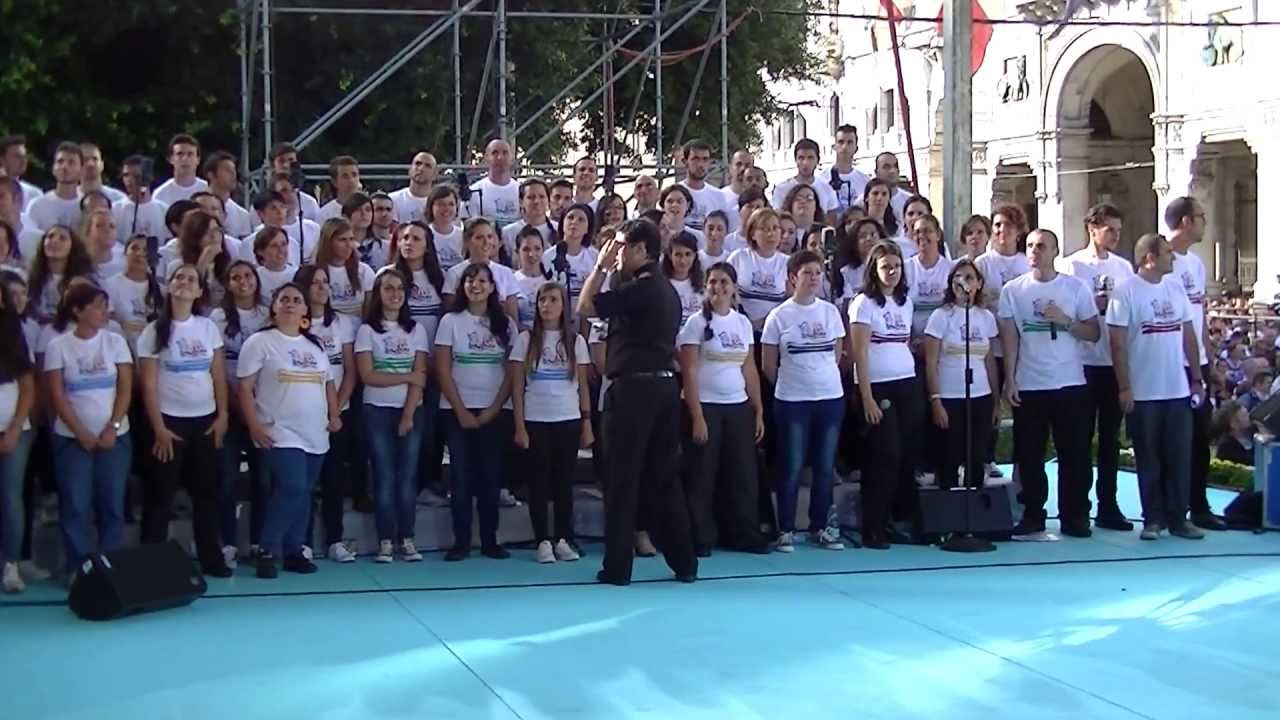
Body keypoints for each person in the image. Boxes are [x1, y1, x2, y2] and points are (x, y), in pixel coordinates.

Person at [577, 219, 698, 585]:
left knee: (621, 479)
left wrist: (600, 267)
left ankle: (617, 567)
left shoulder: (640, 290)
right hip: (663, 388)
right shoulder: (667, 291)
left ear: (641, 250)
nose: (617, 256)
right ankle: (685, 562)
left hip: (632, 391)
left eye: (622, 248)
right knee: (664, 478)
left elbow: (585, 306)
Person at [998, 229, 1099, 538]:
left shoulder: (1075, 288)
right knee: (1029, 454)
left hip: (1069, 382)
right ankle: (1032, 513)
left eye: (1041, 246)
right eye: (1029, 246)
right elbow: (1010, 337)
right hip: (1030, 383)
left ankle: (1075, 515)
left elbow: (1094, 332)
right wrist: (1010, 378)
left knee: (1075, 454)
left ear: (1055, 251)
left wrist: (1064, 320)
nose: (1034, 251)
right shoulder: (1013, 291)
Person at [237, 283, 341, 578]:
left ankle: (295, 550)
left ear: (306, 309)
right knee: (292, 487)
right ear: (274, 306)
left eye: (297, 300)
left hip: (315, 432)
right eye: (284, 299)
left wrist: (334, 414)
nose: (291, 304)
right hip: (280, 431)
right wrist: (254, 424)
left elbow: (328, 383)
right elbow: (244, 387)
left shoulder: (315, 346)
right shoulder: (260, 342)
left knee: (304, 492)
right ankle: (268, 548)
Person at [1107, 232, 1204, 541]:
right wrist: (1124, 387)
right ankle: (1153, 519)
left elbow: (1189, 335)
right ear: (1149, 257)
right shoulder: (1125, 292)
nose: (1172, 257)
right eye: (1166, 253)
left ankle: (1179, 518)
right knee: (1148, 457)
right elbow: (1117, 344)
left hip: (1176, 390)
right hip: (1144, 392)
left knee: (1179, 457)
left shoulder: (1176, 289)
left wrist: (1197, 378)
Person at [137, 264, 231, 577]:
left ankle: (210, 557)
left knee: (207, 494)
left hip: (205, 422)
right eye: (179, 277)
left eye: (191, 279)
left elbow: (218, 376)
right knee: (160, 496)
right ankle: (152, 562)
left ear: (200, 291)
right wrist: (159, 429)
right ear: (169, 286)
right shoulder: (153, 331)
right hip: (169, 424)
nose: (184, 282)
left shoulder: (207, 328)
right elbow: (147, 386)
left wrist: (223, 416)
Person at [677, 262, 768, 555]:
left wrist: (758, 408)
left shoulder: (741, 323)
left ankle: (743, 533)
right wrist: (697, 416)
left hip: (737, 407)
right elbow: (688, 372)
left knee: (742, 475)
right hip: (706, 407)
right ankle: (700, 537)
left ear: (734, 287)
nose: (718, 287)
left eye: (724, 282)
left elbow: (749, 367)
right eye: (713, 282)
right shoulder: (695, 324)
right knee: (702, 476)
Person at [43, 282, 133, 575]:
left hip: (115, 437)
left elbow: (124, 389)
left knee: (112, 505)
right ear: (77, 311)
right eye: (96, 306)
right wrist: (80, 432)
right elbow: (57, 396)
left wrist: (113, 426)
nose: (103, 311)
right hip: (72, 440)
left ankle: (111, 566)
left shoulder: (115, 342)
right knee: (76, 506)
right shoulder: (58, 346)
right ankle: (78, 568)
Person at [761, 250, 847, 552]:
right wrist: (794, 383)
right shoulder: (779, 316)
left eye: (817, 273)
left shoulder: (830, 313)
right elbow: (769, 364)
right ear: (792, 278)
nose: (813, 278)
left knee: (824, 466)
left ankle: (820, 527)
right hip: (792, 402)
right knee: (792, 465)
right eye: (807, 273)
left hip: (830, 399)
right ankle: (785, 528)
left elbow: (836, 354)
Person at [1058, 203, 1136, 530]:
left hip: (1111, 362)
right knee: (1077, 440)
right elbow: (1061, 310)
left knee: (1110, 440)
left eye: (1119, 231)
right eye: (1110, 230)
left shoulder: (1124, 268)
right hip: (1080, 363)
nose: (1115, 236)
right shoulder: (1070, 266)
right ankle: (1076, 509)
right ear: (1093, 229)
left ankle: (1109, 505)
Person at [509, 282, 592, 563]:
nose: (547, 305)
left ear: (563, 306)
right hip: (535, 419)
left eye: (553, 300)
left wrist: (586, 422)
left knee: (563, 483)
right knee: (539, 483)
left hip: (567, 419)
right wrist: (519, 425)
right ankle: (542, 539)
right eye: (542, 300)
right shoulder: (525, 340)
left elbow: (582, 385)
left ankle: (563, 538)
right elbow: (517, 388)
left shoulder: (576, 342)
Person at [436, 263, 513, 561]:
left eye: (482, 280)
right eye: (470, 280)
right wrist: (461, 410)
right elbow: (442, 369)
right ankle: (462, 541)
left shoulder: (505, 323)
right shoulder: (450, 322)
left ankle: (490, 540)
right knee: (461, 477)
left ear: (493, 287)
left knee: (491, 477)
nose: (476, 285)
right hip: (456, 411)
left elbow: (511, 372)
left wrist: (493, 409)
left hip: (495, 411)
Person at [355, 268, 429, 563]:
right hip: (376, 410)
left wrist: (408, 414)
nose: (395, 294)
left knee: (407, 478)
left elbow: (421, 377)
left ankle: (407, 538)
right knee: (384, 477)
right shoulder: (367, 331)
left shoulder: (416, 330)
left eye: (400, 288)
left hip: (411, 411)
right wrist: (408, 376)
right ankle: (385, 539)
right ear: (378, 293)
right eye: (388, 288)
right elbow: (368, 375)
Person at [850, 242, 919, 548]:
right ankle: (873, 526)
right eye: (886, 267)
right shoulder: (864, 303)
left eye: (896, 267)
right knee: (883, 456)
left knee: (903, 455)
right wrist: (866, 397)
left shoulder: (905, 302)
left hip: (907, 384)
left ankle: (896, 520)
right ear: (874, 271)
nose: (892, 272)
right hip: (878, 386)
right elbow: (860, 353)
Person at [1166, 196, 1227, 530]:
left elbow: (1199, 316)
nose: (1205, 222)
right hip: (1170, 362)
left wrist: (1209, 361)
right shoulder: (1161, 259)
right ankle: (1167, 509)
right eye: (1201, 217)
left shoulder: (1197, 264)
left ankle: (1199, 506)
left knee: (1200, 437)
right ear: (1186, 221)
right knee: (1173, 439)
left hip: (1197, 363)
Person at [293, 264, 359, 563]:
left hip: (336, 415)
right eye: (315, 283)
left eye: (325, 282)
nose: (321, 288)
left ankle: (334, 539)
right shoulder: (295, 325)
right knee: (304, 483)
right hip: (303, 415)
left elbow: (349, 370)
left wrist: (336, 410)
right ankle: (302, 541)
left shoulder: (341, 323)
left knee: (334, 480)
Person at [209, 261, 270, 566]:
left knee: (262, 480)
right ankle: (228, 543)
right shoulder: (217, 318)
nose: (243, 282)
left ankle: (259, 542)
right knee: (227, 480)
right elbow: (217, 367)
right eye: (235, 277)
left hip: (262, 408)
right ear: (228, 284)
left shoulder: (266, 315)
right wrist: (234, 403)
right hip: (230, 407)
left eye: (248, 276)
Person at [923, 260, 1000, 490]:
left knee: (976, 458)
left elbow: (989, 361)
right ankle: (947, 516)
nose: (963, 282)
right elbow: (931, 361)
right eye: (958, 277)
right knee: (949, 456)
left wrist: (996, 402)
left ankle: (975, 515)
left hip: (981, 397)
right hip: (950, 397)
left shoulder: (985, 317)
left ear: (978, 284)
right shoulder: (941, 316)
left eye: (969, 277)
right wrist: (936, 400)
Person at [974, 204, 1030, 480]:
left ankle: (1023, 466)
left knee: (1023, 407)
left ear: (1018, 230)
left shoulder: (1025, 262)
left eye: (1007, 225)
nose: (1000, 231)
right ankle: (986, 459)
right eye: (996, 225)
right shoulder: (983, 263)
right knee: (990, 405)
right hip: (990, 345)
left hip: (1022, 348)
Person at [0, 280, 35, 593]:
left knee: (10, 498)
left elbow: (27, 387)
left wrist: (14, 427)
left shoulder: (13, 336)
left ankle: (10, 564)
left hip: (13, 428)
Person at [442, 218, 519, 319]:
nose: (486, 242)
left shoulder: (505, 273)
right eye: (479, 237)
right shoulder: (454, 273)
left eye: (489, 236)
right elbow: (451, 313)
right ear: (467, 241)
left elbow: (512, 317)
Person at [728, 208, 789, 331]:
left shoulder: (787, 263)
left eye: (775, 228)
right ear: (753, 234)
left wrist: (766, 321)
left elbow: (790, 300)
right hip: (740, 326)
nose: (770, 234)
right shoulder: (739, 258)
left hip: (775, 328)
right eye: (764, 229)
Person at [104, 234, 163, 353]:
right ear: (125, 253)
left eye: (145, 250)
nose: (139, 253)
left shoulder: (162, 290)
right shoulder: (109, 285)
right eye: (134, 248)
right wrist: (121, 324)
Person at [28, 225, 94, 324]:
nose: (55, 241)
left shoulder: (84, 280)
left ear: (73, 246)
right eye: (50, 236)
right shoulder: (30, 277)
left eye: (62, 238)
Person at [544, 203, 598, 323]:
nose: (574, 222)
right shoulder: (548, 256)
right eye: (570, 217)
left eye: (581, 219)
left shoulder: (595, 257)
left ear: (588, 228)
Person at [315, 217, 375, 317]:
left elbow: (369, 311)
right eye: (342, 240)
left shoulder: (364, 271)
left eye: (351, 239)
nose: (349, 245)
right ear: (328, 242)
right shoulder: (315, 272)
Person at [905, 213, 953, 337]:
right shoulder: (905, 267)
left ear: (938, 235)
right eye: (917, 232)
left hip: (943, 338)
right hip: (913, 339)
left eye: (927, 231)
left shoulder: (951, 268)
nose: (921, 236)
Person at [770, 139, 838, 224]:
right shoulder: (782, 189)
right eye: (801, 158)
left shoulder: (827, 189)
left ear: (817, 160)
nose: (805, 163)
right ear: (796, 160)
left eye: (810, 158)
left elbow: (831, 221)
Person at [27, 142, 84, 232]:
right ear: (53, 169)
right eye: (60, 161)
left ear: (81, 169)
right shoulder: (37, 205)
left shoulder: (87, 206)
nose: (64, 166)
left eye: (71, 162)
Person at [467, 139, 520, 229]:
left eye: (505, 153)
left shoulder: (521, 190)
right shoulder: (474, 192)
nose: (500, 157)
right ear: (487, 158)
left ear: (512, 158)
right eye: (495, 153)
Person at [501, 179, 557, 261]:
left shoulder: (559, 229)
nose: (537, 201)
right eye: (531, 197)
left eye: (541, 196)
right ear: (521, 202)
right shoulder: (507, 233)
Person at [679, 140, 728, 231]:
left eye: (705, 159)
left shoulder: (718, 196)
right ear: (685, 162)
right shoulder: (674, 193)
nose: (700, 164)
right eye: (695, 159)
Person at [267, 142, 322, 221]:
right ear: (273, 165)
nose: (286, 165)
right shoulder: (261, 204)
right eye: (281, 161)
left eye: (291, 160)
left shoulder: (310, 203)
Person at [827, 125, 870, 216]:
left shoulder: (865, 181)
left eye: (849, 142)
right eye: (840, 142)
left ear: (856, 148)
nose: (845, 146)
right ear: (834, 147)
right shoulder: (823, 179)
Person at [663, 232, 705, 326]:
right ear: (670, 255)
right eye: (678, 254)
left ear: (694, 255)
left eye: (688, 254)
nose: (683, 260)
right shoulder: (661, 285)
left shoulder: (703, 285)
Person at [511, 226, 549, 331]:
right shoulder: (511, 281)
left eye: (537, 249)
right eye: (526, 249)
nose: (532, 254)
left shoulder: (551, 281)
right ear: (517, 252)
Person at [153, 135, 208, 206]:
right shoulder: (160, 195)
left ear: (198, 160)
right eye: (180, 154)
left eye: (190, 154)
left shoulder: (207, 190)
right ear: (171, 159)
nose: (185, 158)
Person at [250, 225, 298, 300]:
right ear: (260, 251)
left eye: (283, 244)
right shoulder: (254, 276)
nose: (281, 250)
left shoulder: (298, 275)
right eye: (274, 246)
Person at [426, 185, 466, 272]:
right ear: (431, 207)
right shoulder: (423, 234)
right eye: (441, 204)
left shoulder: (463, 235)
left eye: (451, 204)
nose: (446, 209)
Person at [390, 150, 438, 223]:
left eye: (428, 166)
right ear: (409, 170)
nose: (421, 168)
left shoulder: (441, 203)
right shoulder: (392, 200)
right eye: (418, 164)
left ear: (435, 175)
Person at [718, 149, 754, 233]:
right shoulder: (720, 196)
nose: (743, 168)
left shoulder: (758, 198)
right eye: (739, 164)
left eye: (748, 165)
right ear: (730, 168)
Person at [318, 156, 361, 222]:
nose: (351, 180)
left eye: (354, 175)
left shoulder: (369, 210)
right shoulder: (324, 214)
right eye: (345, 176)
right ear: (334, 182)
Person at [1210, 400, 1253, 466]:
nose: (1249, 416)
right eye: (1244, 415)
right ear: (1233, 423)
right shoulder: (1227, 446)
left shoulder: (1251, 434)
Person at [873, 151, 914, 218]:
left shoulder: (910, 201)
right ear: (876, 172)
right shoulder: (863, 202)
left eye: (895, 166)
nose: (892, 171)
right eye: (886, 167)